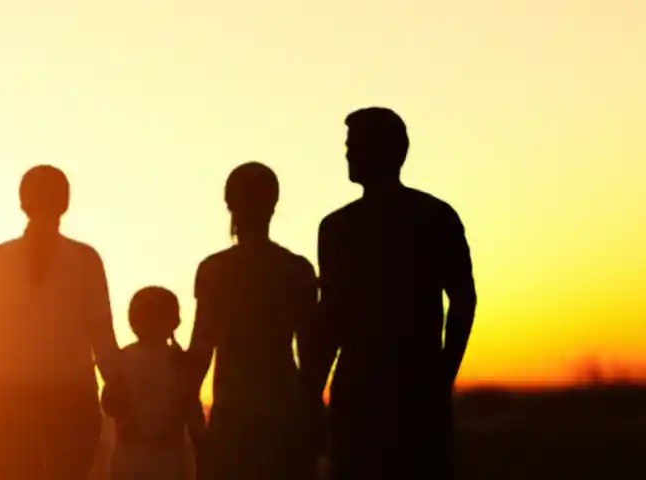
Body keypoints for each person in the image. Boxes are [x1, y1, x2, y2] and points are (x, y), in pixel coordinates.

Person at [309, 108, 477, 480]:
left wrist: (443, 374)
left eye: (355, 146)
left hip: (381, 389)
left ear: (387, 151)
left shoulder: (340, 227)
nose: (348, 155)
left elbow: (463, 300)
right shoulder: (435, 215)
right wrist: (442, 374)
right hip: (388, 388)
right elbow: (464, 301)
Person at [0, 165, 119, 480]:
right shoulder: (85, 259)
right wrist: (124, 401)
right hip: (72, 403)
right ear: (65, 203)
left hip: (13, 403)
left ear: (22, 203)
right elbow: (103, 341)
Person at [187, 162, 322, 480]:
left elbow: (199, 352)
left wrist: (193, 423)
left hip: (232, 415)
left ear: (229, 203)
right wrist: (314, 418)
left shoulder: (214, 270)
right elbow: (311, 356)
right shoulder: (296, 269)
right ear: (273, 204)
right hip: (285, 413)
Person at [102, 286, 205, 480]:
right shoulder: (179, 361)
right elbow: (191, 406)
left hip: (129, 456)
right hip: (168, 458)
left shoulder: (122, 359)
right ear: (173, 322)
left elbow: (108, 403)